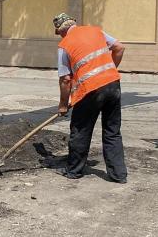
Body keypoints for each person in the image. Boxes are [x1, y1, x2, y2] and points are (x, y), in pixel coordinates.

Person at [54, 13, 127, 183]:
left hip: (90, 91)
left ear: (61, 31)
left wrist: (63, 105)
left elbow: (65, 80)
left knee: (81, 130)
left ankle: (74, 171)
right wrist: (107, 72)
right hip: (112, 83)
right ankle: (118, 175)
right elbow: (119, 47)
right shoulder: (95, 31)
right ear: (74, 24)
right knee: (112, 131)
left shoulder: (64, 45)